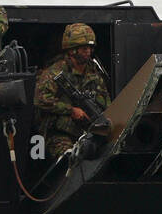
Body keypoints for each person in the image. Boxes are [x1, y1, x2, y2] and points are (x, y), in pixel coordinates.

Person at [35, 23, 111, 159]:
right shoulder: (55, 72)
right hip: (60, 132)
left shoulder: (94, 73)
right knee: (70, 158)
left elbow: (106, 101)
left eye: (89, 48)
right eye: (83, 48)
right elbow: (40, 99)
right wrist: (71, 110)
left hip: (90, 132)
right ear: (72, 50)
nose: (88, 51)